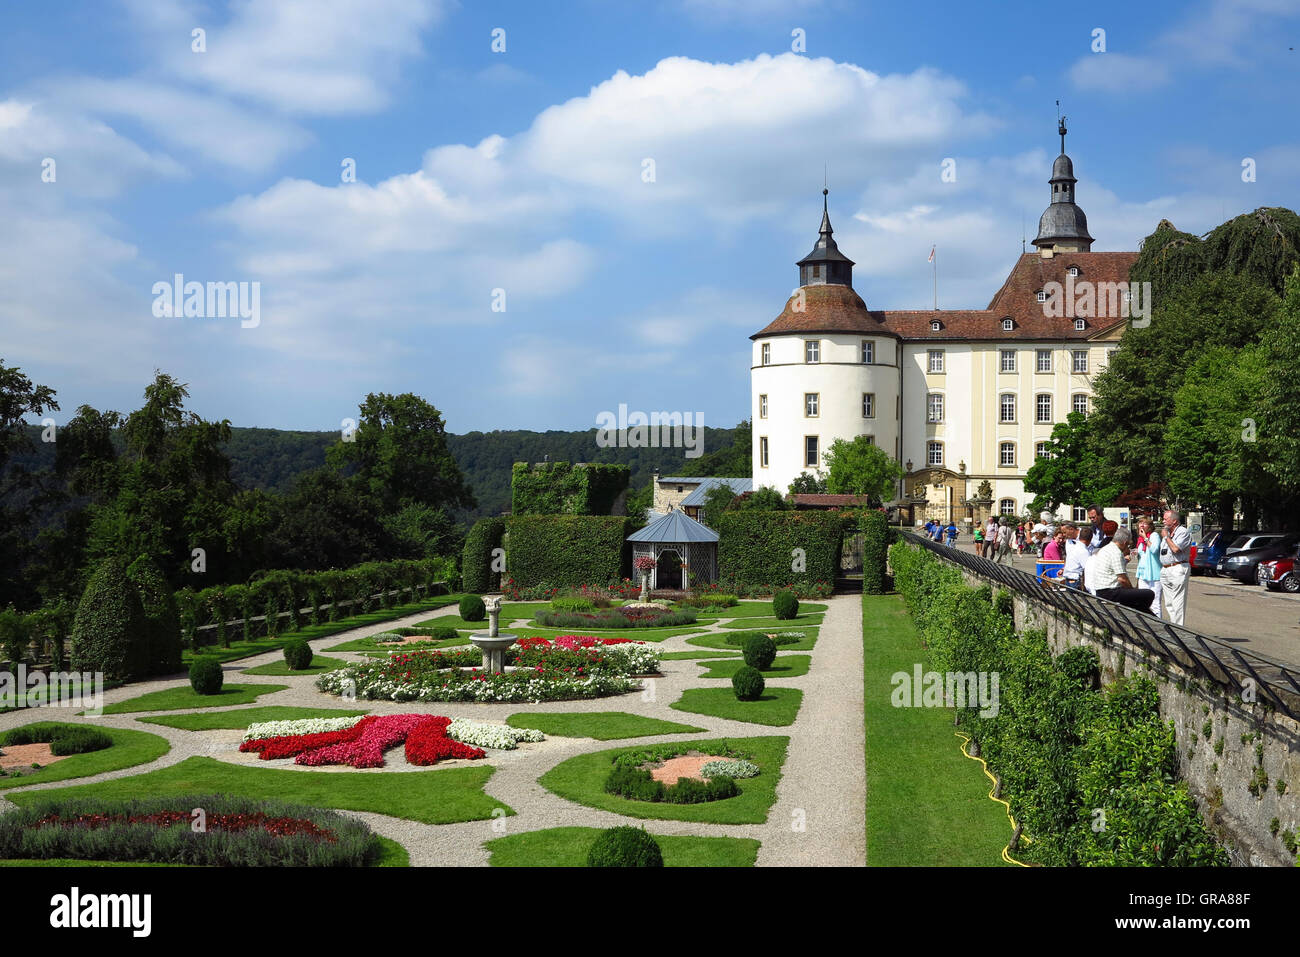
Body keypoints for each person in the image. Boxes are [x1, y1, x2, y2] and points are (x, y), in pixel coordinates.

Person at [1085, 527, 1155, 612]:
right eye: (1128, 544)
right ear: (1125, 543)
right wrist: (1132, 590)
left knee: (1136, 597)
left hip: (1100, 590)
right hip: (1110, 592)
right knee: (1149, 594)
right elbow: (1122, 579)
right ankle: (1142, 612)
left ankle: (1140, 611)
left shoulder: (1105, 549)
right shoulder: (1116, 552)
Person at [1159, 508, 1193, 626]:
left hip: (1178, 567)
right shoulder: (1167, 533)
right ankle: (1173, 625)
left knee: (1177, 600)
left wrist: (1166, 537)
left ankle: (1179, 628)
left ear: (1174, 521)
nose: (1162, 521)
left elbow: (1175, 549)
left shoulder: (1183, 532)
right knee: (1168, 602)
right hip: (1166, 568)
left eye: (1165, 519)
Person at [1134, 516, 1163, 616]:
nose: (1141, 525)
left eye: (1144, 523)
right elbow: (1142, 555)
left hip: (1154, 574)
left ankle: (1158, 625)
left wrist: (1146, 538)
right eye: (1140, 523)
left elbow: (1154, 549)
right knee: (1142, 602)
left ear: (1150, 526)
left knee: (1155, 603)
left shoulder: (1154, 536)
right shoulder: (1140, 540)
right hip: (1143, 574)